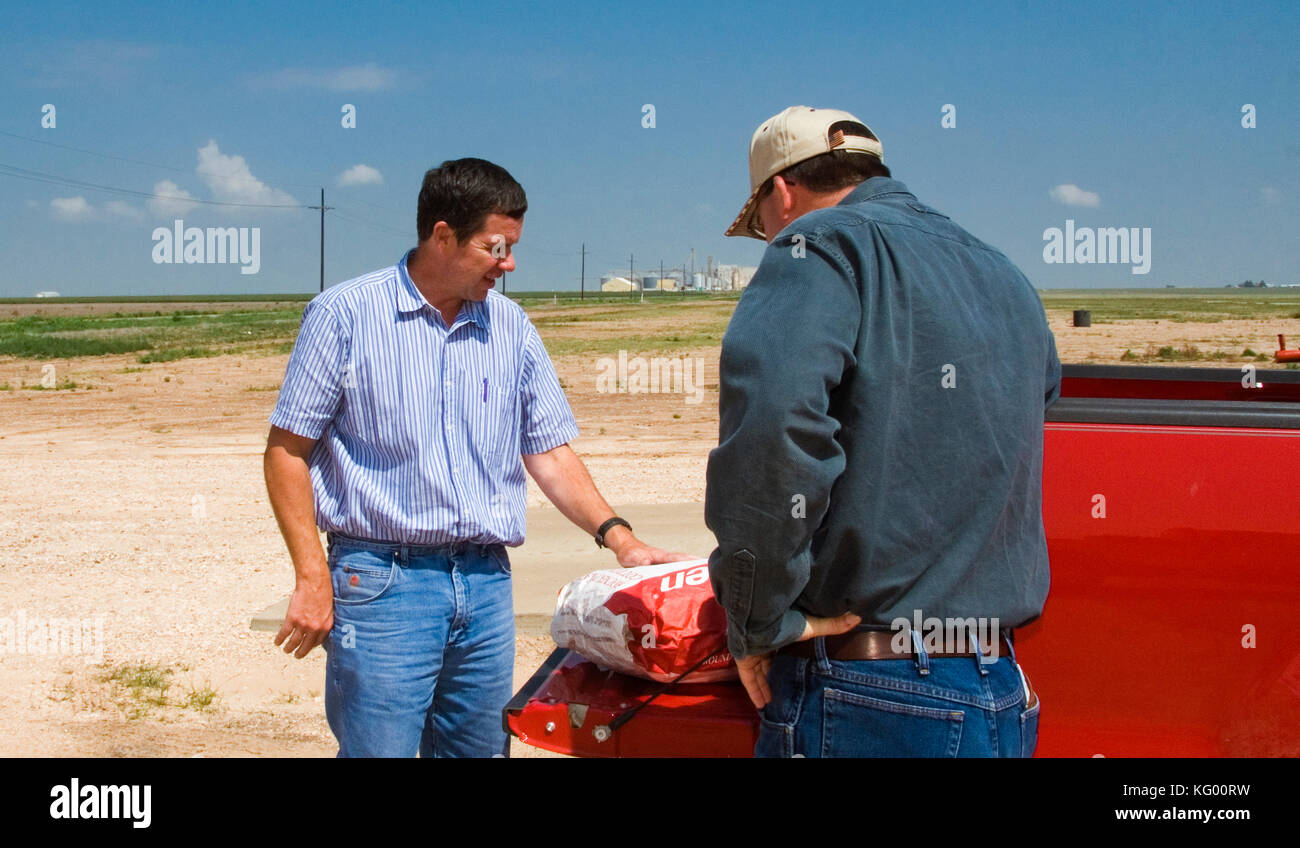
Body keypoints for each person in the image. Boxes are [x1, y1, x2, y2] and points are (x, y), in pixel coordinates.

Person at [263, 157, 679, 758]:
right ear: (442, 236)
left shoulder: (511, 327)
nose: (509, 264)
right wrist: (311, 577)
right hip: (383, 584)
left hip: (485, 583)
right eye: (495, 247)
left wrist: (619, 538)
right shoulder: (344, 316)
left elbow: (550, 452)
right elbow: (286, 452)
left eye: (511, 247)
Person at [705, 106, 1061, 757]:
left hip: (870, 689)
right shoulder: (1004, 275)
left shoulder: (821, 244)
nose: (771, 236)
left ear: (781, 191)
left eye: (760, 224)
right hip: (999, 685)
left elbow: (773, 438)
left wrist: (758, 621)